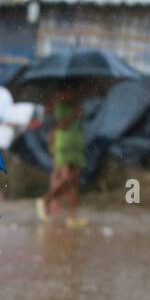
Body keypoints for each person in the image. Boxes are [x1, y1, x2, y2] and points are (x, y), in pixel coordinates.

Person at [39, 81, 86, 220]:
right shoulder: (58, 104)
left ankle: (72, 216)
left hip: (76, 145)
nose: (71, 94)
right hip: (64, 144)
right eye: (69, 91)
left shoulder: (78, 103)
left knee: (74, 181)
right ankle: (47, 199)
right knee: (67, 178)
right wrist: (75, 114)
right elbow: (60, 125)